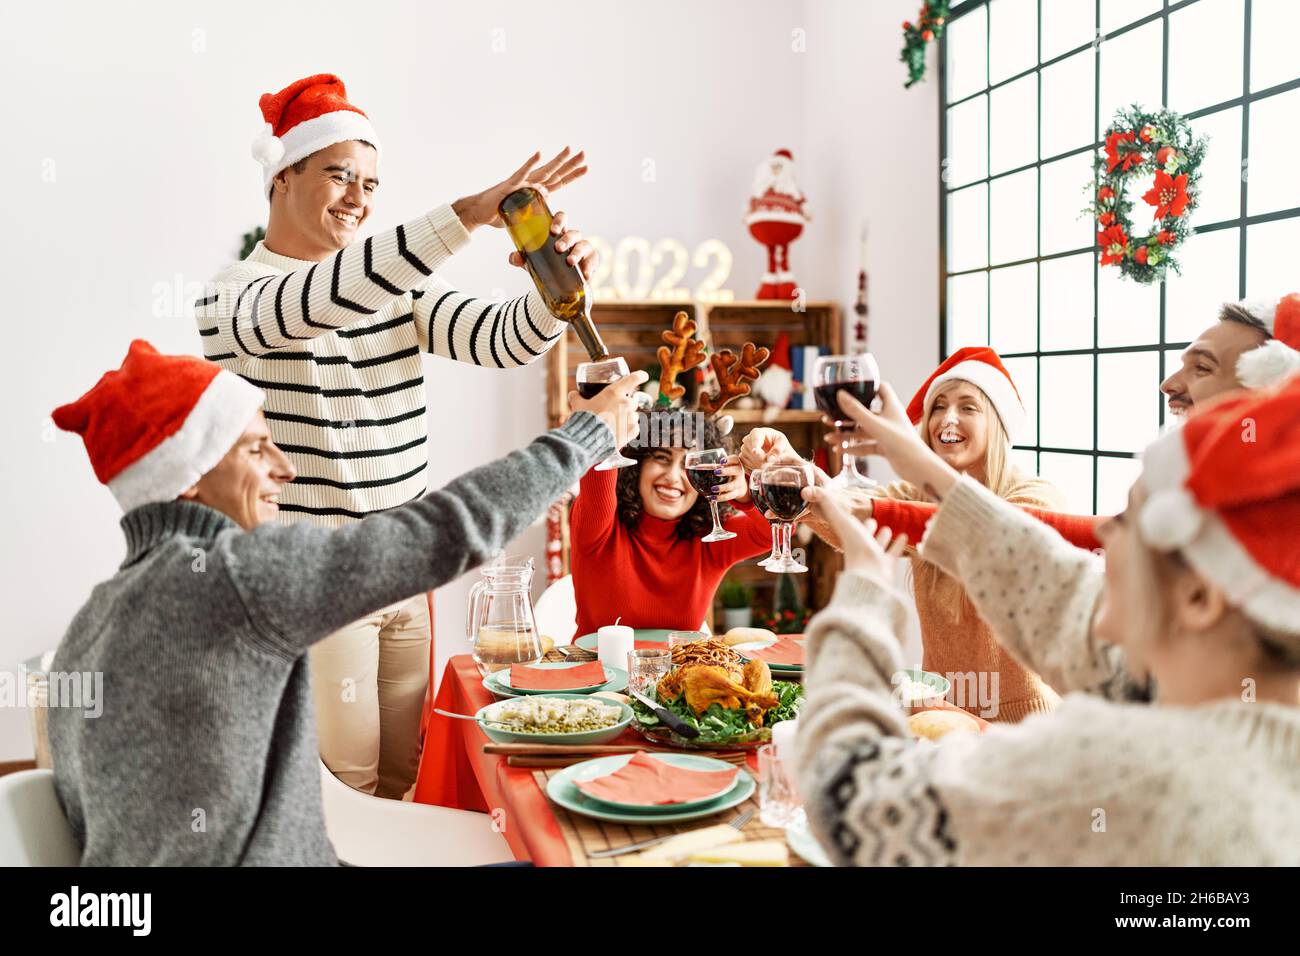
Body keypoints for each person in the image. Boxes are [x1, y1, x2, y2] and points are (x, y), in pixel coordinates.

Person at [47, 340, 642, 865]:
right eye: (257, 450)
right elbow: (443, 530)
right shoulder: (231, 577)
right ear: (189, 478)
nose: (286, 469)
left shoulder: (89, 624)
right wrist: (581, 439)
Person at [197, 74, 599, 798]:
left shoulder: (392, 289)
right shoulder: (233, 299)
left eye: (372, 182)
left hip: (404, 571)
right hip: (315, 578)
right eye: (339, 174)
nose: (359, 196)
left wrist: (552, 291)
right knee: (343, 791)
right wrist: (467, 215)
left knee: (402, 780)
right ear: (282, 176)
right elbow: (316, 303)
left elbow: (499, 340)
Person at [796, 373, 1300, 865]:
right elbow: (1055, 592)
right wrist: (924, 465)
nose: (1102, 539)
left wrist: (862, 600)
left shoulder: (1131, 773)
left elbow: (846, 794)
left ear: (1200, 597)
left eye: (1127, 524)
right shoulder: (1228, 705)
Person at [761, 349, 1069, 722]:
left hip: (1021, 723)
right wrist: (797, 475)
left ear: (998, 422)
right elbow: (860, 516)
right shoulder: (916, 498)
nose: (947, 419)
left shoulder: (1036, 496)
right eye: (938, 406)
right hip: (936, 711)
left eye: (968, 407)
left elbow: (987, 535)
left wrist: (886, 498)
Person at [569, 409, 771, 639]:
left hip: (679, 673)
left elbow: (774, 532)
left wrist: (745, 496)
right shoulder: (600, 527)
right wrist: (606, 419)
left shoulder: (710, 538)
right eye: (662, 458)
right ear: (636, 465)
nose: (674, 476)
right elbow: (600, 467)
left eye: (689, 464)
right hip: (597, 672)